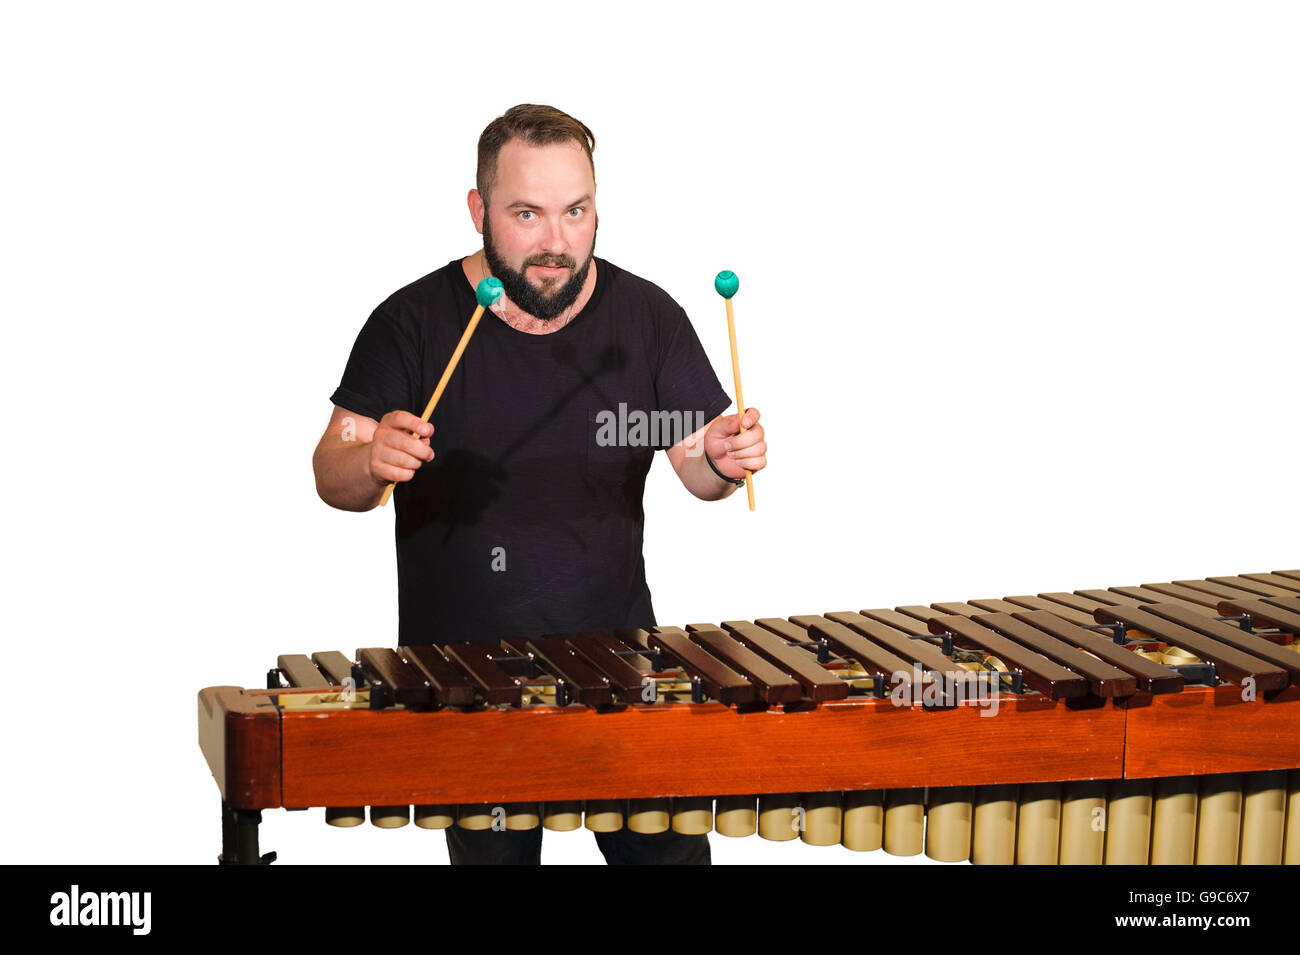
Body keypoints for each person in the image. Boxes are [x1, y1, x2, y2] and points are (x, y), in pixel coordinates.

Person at [311, 104, 768, 865]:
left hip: (625, 672)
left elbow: (695, 464)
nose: (556, 243)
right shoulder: (414, 321)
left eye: (576, 212)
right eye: (527, 214)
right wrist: (371, 460)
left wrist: (721, 459)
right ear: (478, 210)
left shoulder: (648, 317)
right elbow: (333, 466)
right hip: (465, 684)